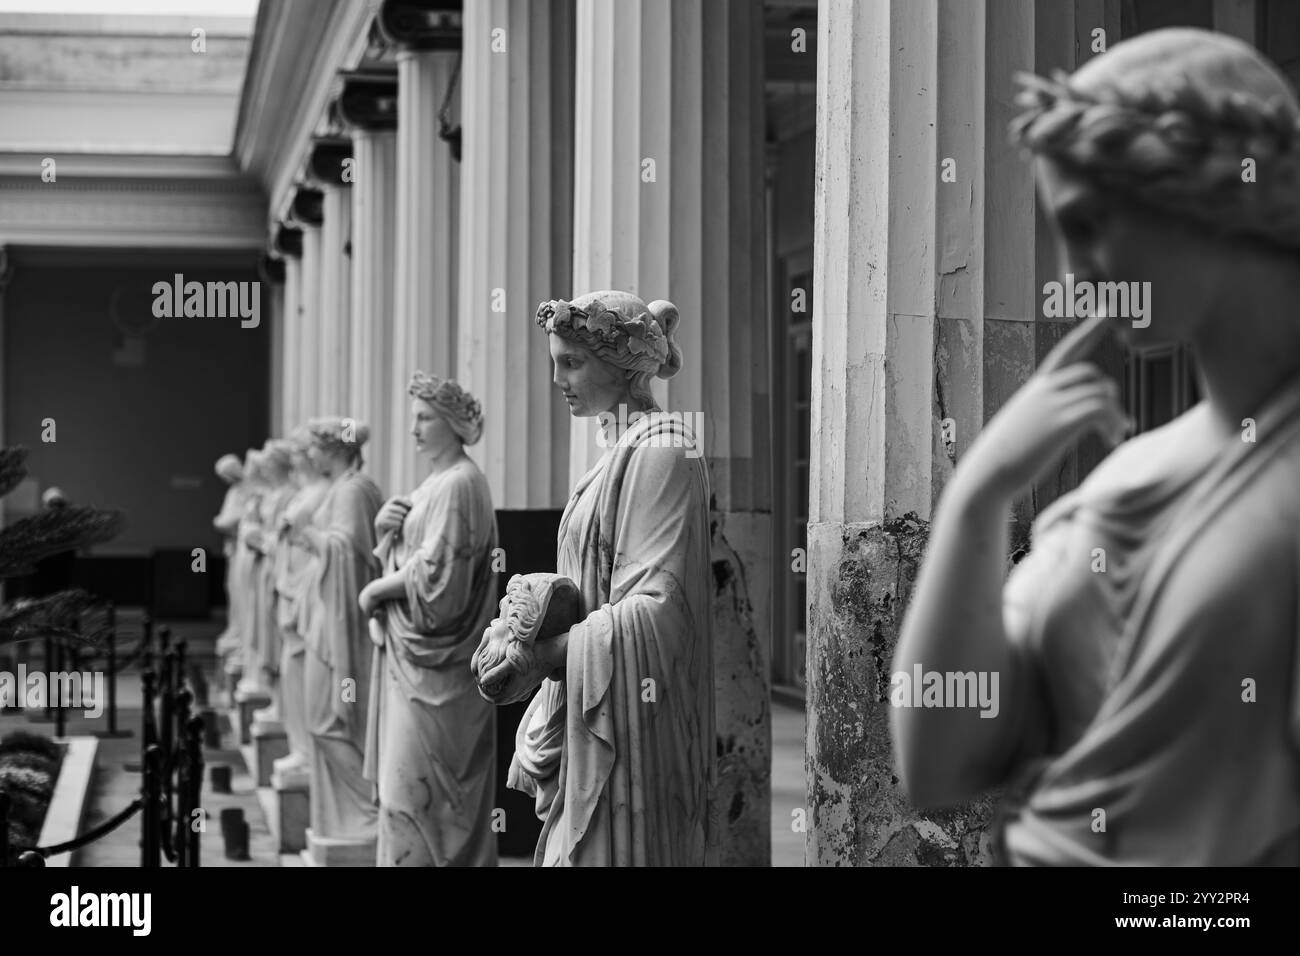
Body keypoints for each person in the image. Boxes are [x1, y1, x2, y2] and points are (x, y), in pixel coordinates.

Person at [891, 27, 1300, 865]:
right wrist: (976, 500)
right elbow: (937, 762)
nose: (1075, 277)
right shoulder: (1119, 490)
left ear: (1206, 195)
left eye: (1088, 225)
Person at [477, 291, 716, 866]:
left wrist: (545, 657)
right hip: (590, 702)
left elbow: (658, 610)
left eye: (573, 362)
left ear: (622, 366)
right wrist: (526, 621)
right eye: (555, 361)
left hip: (633, 721)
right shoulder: (613, 457)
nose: (558, 378)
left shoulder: (663, 452)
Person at [359, 372, 499, 867]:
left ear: (452, 423)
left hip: (439, 668)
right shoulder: (433, 484)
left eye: (424, 418)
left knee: (421, 796)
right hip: (412, 662)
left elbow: (444, 582)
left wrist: (377, 589)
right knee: (405, 795)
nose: (414, 429)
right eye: (413, 418)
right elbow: (416, 559)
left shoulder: (461, 483)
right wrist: (384, 537)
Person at [296, 416, 383, 846]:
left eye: (314, 447)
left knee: (334, 719)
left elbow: (348, 555)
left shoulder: (352, 490)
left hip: (340, 627)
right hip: (323, 621)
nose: (309, 455)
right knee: (323, 719)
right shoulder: (342, 487)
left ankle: (368, 813)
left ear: (333, 449)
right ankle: (349, 818)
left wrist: (309, 535)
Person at [271, 427, 332, 780]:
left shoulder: (324, 491)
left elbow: (316, 541)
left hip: (304, 588)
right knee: (292, 670)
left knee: (301, 672)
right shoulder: (308, 491)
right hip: (290, 584)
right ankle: (299, 746)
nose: (299, 456)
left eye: (302, 450)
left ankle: (306, 751)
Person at [212, 454, 250, 660]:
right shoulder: (236, 491)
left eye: (226, 474)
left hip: (243, 548)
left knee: (240, 591)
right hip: (235, 548)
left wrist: (222, 521)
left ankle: (240, 632)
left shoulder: (248, 490)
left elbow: (237, 517)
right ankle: (236, 628)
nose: (226, 479)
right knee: (233, 590)